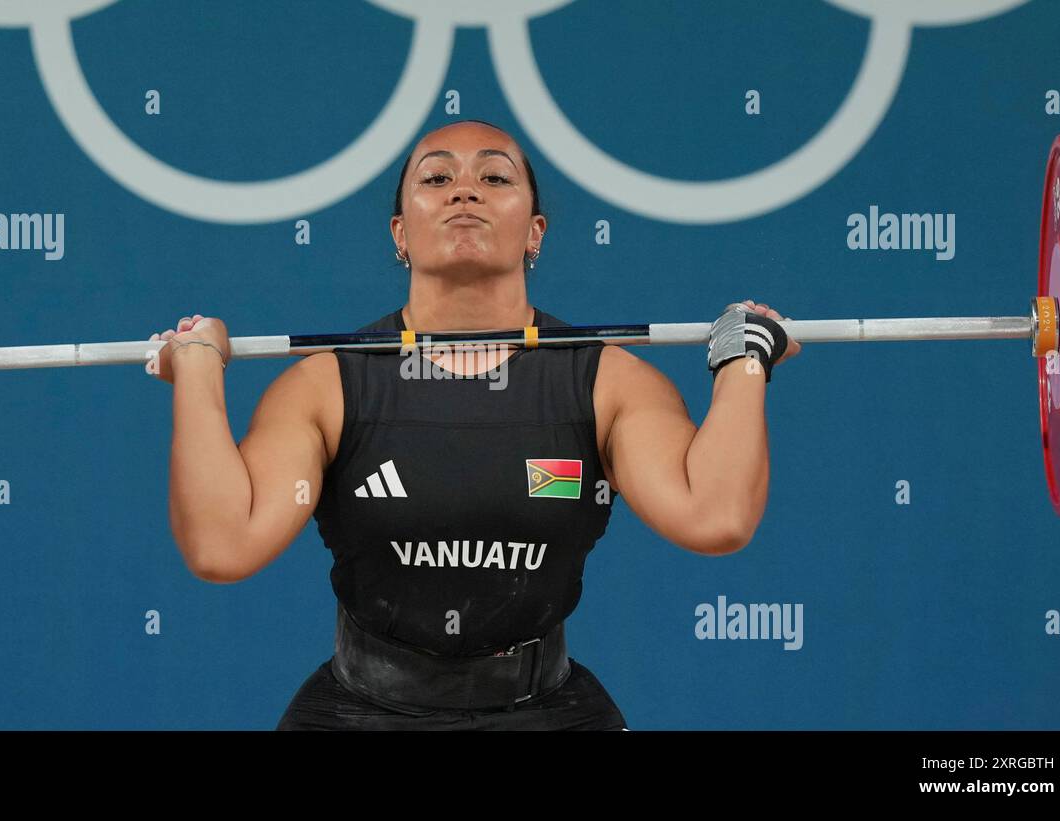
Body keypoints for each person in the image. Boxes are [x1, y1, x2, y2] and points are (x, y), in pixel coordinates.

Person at [148, 119, 801, 730]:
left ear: (536, 230)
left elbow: (715, 516)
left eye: (494, 177)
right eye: (436, 179)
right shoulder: (326, 384)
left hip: (550, 706)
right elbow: (222, 545)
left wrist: (743, 360)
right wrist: (200, 370)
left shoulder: (607, 381)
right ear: (400, 233)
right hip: (358, 709)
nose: (464, 189)